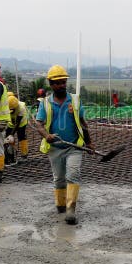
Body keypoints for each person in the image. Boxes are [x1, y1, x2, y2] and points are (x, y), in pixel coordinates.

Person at [34, 64, 93, 225]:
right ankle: (60, 205)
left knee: (73, 175)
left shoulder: (74, 100)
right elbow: (38, 123)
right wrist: (46, 135)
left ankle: (70, 210)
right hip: (55, 148)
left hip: (74, 147)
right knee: (59, 179)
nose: (61, 85)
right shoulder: (45, 103)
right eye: (58, 83)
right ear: (51, 84)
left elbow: (83, 123)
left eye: (64, 82)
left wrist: (89, 142)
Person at [5, 93, 30, 163]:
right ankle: (11, 155)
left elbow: (17, 123)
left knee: (21, 136)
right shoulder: (6, 104)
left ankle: (24, 155)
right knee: (8, 138)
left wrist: (11, 134)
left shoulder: (21, 108)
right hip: (11, 122)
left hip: (21, 122)